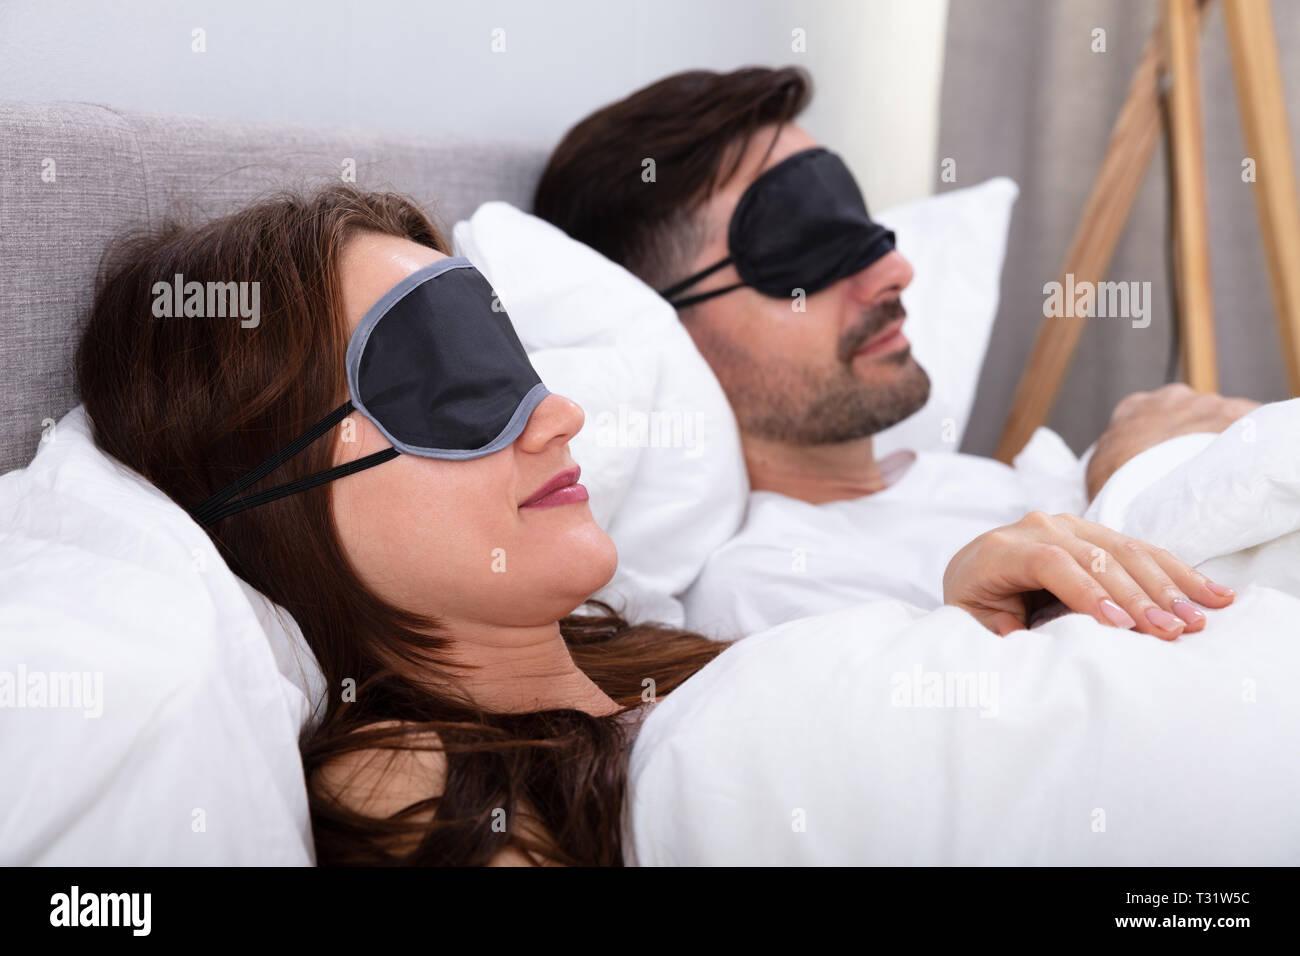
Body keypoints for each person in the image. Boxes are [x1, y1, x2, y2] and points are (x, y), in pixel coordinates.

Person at [73, 186, 1234, 865]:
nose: (559, 414)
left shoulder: (651, 663)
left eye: (513, 357)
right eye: (451, 382)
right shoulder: (401, 777)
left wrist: (965, 626)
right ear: (257, 494)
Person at [533, 66, 1257, 640]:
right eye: (809, 247)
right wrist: (1137, 470)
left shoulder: (966, 480)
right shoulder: (770, 586)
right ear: (669, 323)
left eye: (862, 225)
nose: (893, 270)